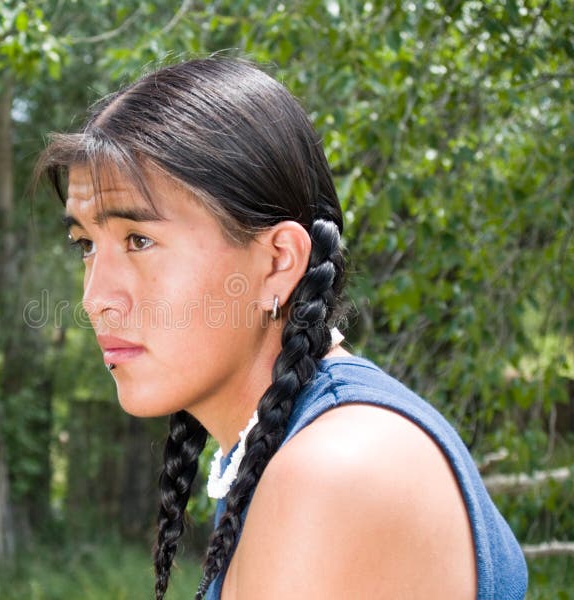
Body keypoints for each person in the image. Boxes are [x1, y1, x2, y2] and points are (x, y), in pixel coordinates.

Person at [37, 58, 528, 600]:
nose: (95, 299)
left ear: (276, 263)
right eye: (86, 245)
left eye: (139, 241)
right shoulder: (284, 446)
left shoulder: (334, 471)